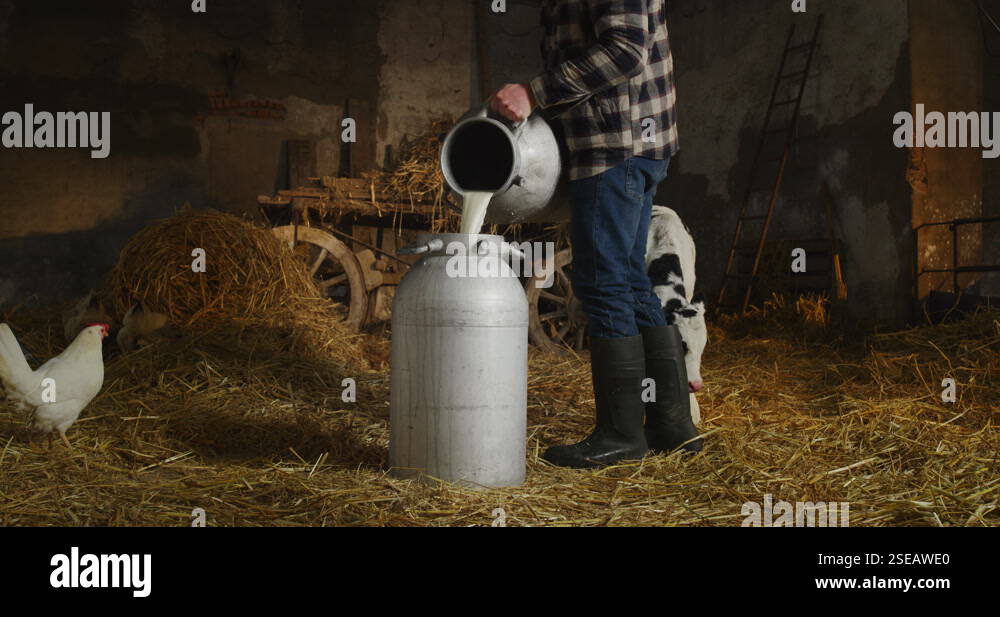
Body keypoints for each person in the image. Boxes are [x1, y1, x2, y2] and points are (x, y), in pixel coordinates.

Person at [490, 0, 702, 468]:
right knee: (627, 279)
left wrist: (534, 91)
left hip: (613, 144)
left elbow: (626, 51)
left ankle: (621, 434)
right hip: (629, 142)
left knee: (603, 282)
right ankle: (672, 426)